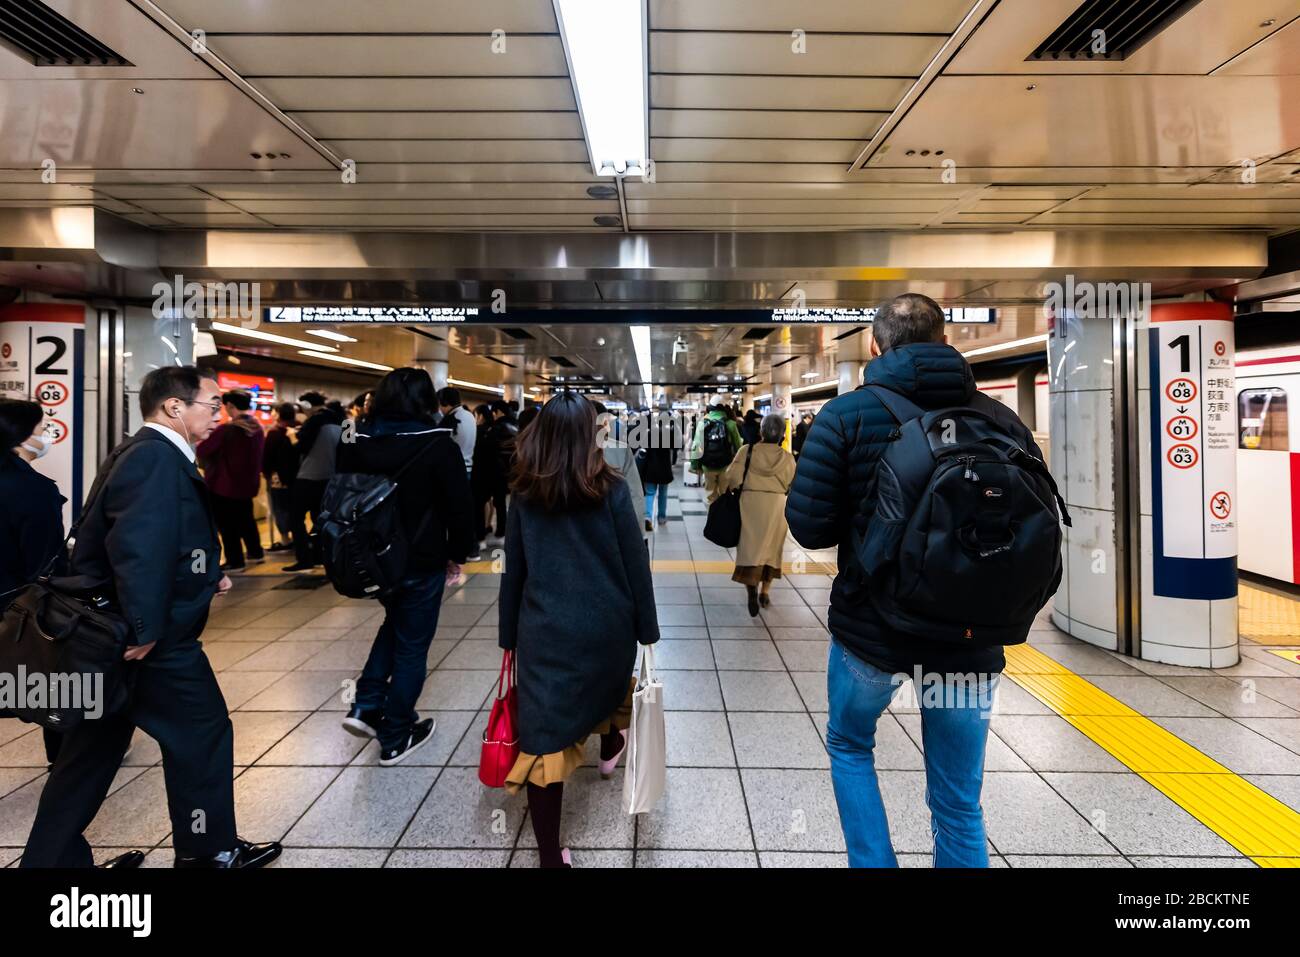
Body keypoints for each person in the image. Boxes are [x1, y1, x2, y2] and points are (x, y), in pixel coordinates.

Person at [786, 293, 1038, 869]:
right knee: (958, 805)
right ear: (946, 340)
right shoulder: (1000, 418)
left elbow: (808, 527)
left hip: (872, 630)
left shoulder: (845, 416)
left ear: (876, 347)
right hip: (969, 637)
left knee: (850, 746)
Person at [22, 366, 281, 869]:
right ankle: (208, 852)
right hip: (149, 642)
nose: (217, 417)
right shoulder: (157, 459)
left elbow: (161, 538)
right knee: (201, 735)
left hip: (112, 634)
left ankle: (49, 864)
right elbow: (137, 547)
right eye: (210, 406)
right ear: (173, 407)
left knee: (87, 755)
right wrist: (146, 629)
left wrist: (208, 573)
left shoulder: (142, 451)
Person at [498, 392, 659, 868]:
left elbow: (514, 573)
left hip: (547, 632)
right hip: (608, 628)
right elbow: (636, 564)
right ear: (590, 434)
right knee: (606, 693)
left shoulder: (524, 494)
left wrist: (509, 638)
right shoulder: (608, 488)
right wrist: (647, 629)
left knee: (543, 740)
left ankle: (551, 856)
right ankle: (609, 746)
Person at [337, 368, 476, 764]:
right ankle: (396, 734)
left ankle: (365, 705)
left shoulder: (355, 439)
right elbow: (458, 507)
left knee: (394, 623)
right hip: (420, 558)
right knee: (413, 643)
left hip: (369, 560)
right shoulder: (436, 444)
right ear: (426, 401)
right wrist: (459, 553)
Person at [0, 399, 68, 768]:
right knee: (52, 684)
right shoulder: (34, 491)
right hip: (19, 610)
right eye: (40, 429)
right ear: (21, 438)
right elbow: (44, 566)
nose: (44, 435)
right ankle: (61, 761)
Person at [723, 414, 796, 617]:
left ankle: (751, 591)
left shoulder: (747, 451)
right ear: (782, 434)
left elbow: (732, 478)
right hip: (777, 507)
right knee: (772, 550)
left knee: (749, 551)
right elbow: (793, 484)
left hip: (750, 505)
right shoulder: (788, 458)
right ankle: (765, 592)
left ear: (761, 431)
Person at [195, 389, 265, 571]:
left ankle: (235, 560)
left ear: (231, 406)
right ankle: (256, 553)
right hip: (248, 484)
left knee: (227, 525)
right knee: (247, 520)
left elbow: (202, 450)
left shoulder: (227, 430)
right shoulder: (257, 428)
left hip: (224, 485)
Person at [284, 392, 344, 572]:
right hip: (330, 479)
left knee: (295, 518)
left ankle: (304, 559)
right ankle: (320, 556)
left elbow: (301, 447)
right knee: (319, 519)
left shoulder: (314, 421)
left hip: (309, 476)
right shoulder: (341, 420)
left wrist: (291, 437)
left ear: (308, 405)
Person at [592, 401, 645, 535]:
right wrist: (639, 535)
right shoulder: (620, 450)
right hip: (613, 531)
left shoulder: (562, 451)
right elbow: (635, 494)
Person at [261, 402, 299, 552]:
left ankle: (285, 539)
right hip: (298, 476)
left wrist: (266, 473)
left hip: (279, 478)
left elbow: (267, 457)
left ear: (278, 414)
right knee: (294, 508)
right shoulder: (299, 428)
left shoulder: (274, 433)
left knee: (280, 508)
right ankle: (298, 537)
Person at [689, 401, 742, 503]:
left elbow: (696, 446)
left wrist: (694, 465)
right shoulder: (730, 424)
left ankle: (712, 517)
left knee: (710, 496)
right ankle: (723, 518)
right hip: (726, 465)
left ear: (710, 408)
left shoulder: (702, 423)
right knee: (724, 495)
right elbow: (738, 445)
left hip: (707, 465)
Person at [638, 408, 679, 531]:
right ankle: (661, 517)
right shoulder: (670, 434)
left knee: (650, 493)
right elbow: (676, 448)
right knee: (663, 494)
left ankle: (648, 517)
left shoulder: (650, 432)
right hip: (664, 469)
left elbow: (643, 450)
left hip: (650, 469)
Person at [437, 386, 476, 476]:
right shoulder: (470, 415)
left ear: (444, 402)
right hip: (468, 467)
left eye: (439, 404)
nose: (439, 409)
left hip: (453, 468)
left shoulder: (450, 419)